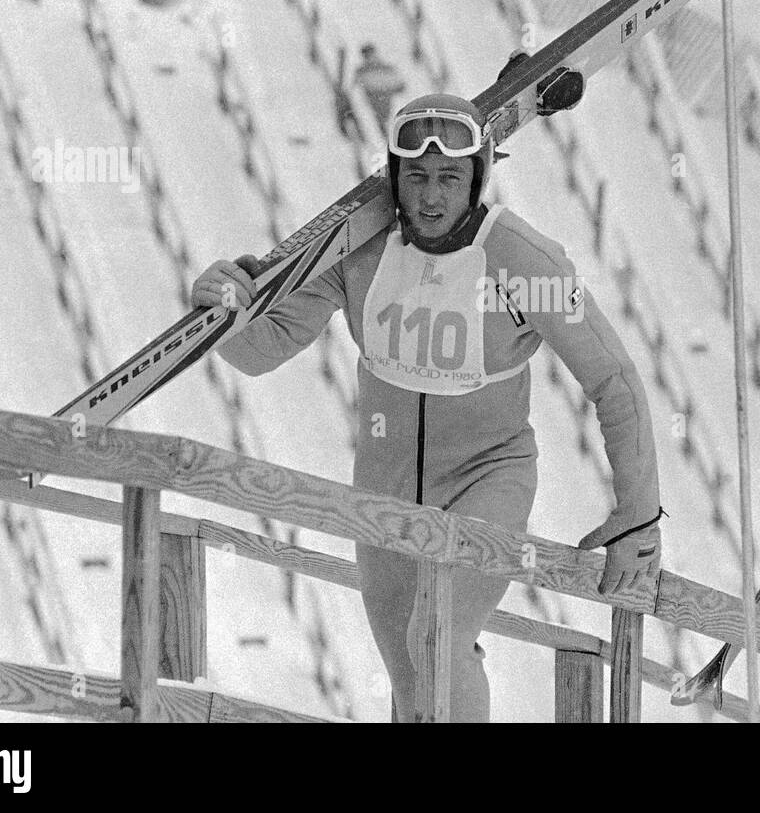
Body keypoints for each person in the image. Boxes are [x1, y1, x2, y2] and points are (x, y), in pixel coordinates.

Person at [191, 91, 661, 722]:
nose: (432, 197)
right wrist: (223, 309)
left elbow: (614, 379)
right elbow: (259, 353)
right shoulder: (360, 249)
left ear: (477, 179)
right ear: (393, 176)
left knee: (434, 638)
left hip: (487, 477)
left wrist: (639, 516)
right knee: (413, 684)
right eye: (416, 176)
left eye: (450, 178)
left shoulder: (521, 258)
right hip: (382, 493)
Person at [351, 43, 406, 135]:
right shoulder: (361, 71)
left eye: (371, 53)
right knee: (380, 123)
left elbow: (399, 84)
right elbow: (356, 88)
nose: (371, 57)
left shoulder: (386, 68)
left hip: (387, 100)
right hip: (374, 102)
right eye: (368, 55)